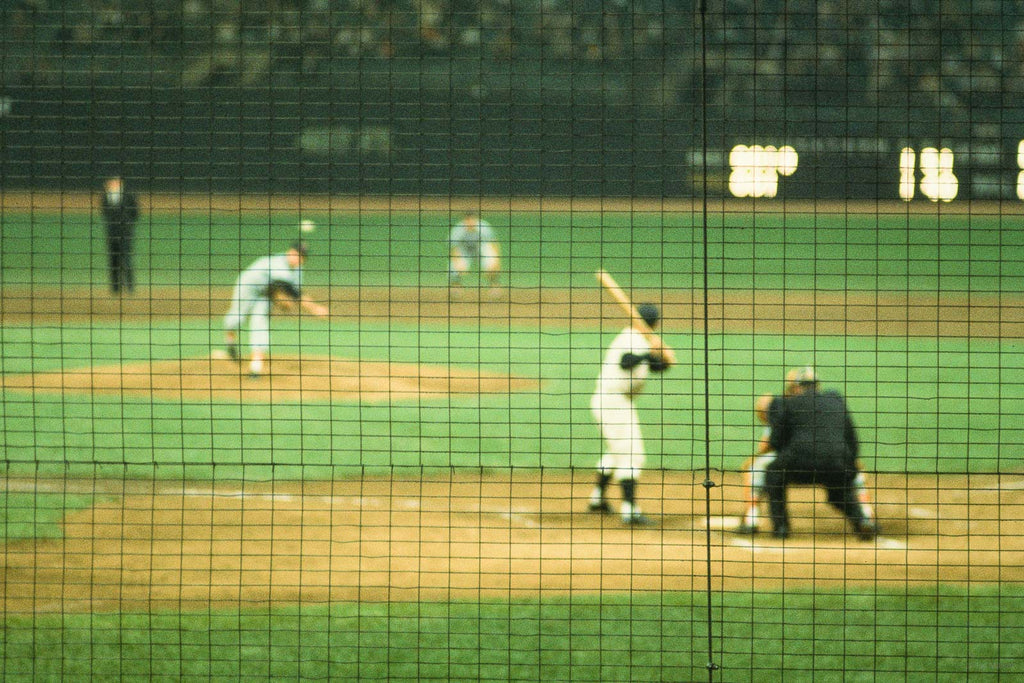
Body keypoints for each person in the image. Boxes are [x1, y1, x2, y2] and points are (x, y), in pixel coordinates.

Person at [736, 367, 878, 540]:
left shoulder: (788, 403)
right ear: (817, 386)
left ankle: (779, 527)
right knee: (841, 489)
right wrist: (849, 464)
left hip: (800, 463)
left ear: (795, 388)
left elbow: (775, 442)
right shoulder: (836, 401)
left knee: (772, 473)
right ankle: (863, 520)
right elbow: (852, 440)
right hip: (837, 463)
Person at [587, 304, 673, 525]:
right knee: (632, 454)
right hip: (612, 400)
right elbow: (626, 361)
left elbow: (655, 366)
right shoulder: (631, 338)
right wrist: (649, 352)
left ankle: (597, 499)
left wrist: (663, 358)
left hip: (617, 401)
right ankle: (630, 510)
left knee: (618, 452)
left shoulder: (640, 338)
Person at [222, 241, 328, 378]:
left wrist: (286, 303)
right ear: (289, 252)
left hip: (267, 293)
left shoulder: (298, 270)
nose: (299, 258)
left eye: (302, 256)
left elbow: (291, 293)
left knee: (260, 323)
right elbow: (292, 292)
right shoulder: (278, 263)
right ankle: (230, 341)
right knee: (236, 318)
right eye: (297, 254)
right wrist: (315, 308)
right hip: (248, 286)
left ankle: (255, 368)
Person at [99, 176, 139, 294]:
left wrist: (128, 225)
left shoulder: (129, 195)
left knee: (126, 259)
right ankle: (115, 288)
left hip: (125, 233)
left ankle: (130, 287)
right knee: (113, 260)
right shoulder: (106, 196)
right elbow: (104, 212)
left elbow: (135, 212)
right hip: (111, 234)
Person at [448, 212, 501, 295]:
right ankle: (456, 288)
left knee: (492, 265)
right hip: (464, 251)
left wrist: (496, 259)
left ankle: (494, 287)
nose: (470, 222)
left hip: (481, 249)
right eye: (467, 220)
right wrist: (457, 264)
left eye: (472, 220)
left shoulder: (484, 227)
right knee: (453, 268)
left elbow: (493, 244)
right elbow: (454, 249)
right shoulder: (458, 230)